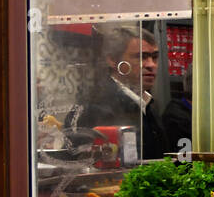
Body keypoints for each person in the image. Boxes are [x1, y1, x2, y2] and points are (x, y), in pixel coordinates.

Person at [69, 25, 169, 161]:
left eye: (155, 57)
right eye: (141, 57)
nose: (151, 64)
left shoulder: (149, 104)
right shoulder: (95, 106)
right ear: (113, 60)